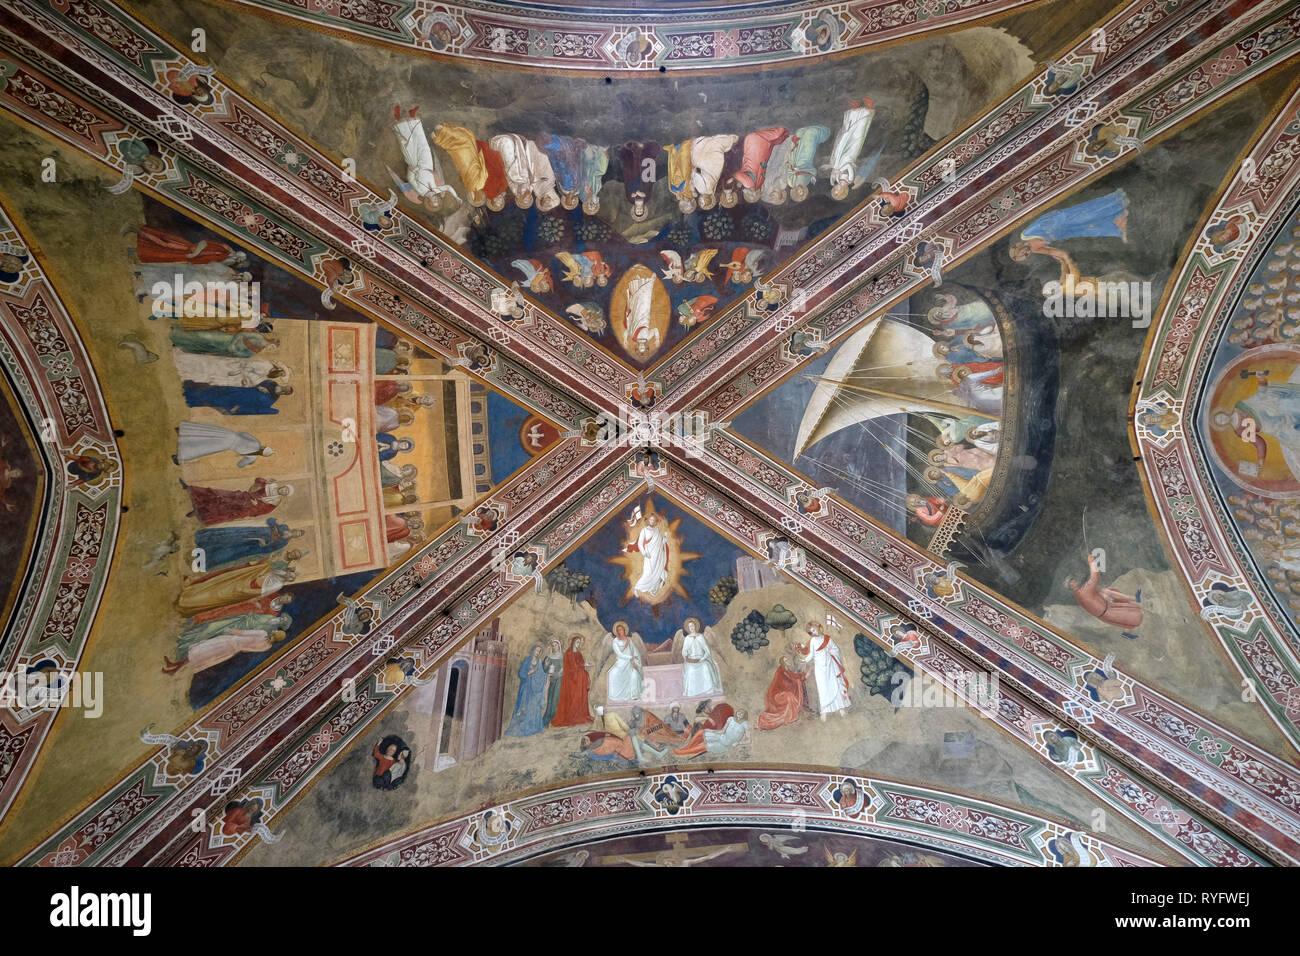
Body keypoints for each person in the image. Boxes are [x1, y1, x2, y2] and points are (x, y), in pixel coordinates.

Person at [1068, 551, 1143, 638]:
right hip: (1108, 611)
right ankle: (1127, 629)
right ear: (1072, 587)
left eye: (1073, 580)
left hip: (1104, 613)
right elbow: (1095, 578)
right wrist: (1092, 563)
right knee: (1136, 615)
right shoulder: (1084, 591)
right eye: (1072, 583)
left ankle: (1134, 599)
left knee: (1106, 591)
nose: (1075, 582)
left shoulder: (1078, 595)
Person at [182, 477, 291, 525]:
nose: (284, 490)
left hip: (246, 508)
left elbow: (262, 512)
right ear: (284, 486)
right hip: (243, 497)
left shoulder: (275, 501)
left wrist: (255, 505)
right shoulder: (272, 484)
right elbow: (257, 480)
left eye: (286, 492)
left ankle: (198, 512)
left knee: (221, 511)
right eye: (285, 488)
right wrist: (265, 481)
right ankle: (191, 490)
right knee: (219, 495)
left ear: (285, 495)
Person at [799, 621, 852, 719]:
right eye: (811, 632)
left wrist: (830, 651)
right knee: (823, 689)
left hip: (831, 665)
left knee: (836, 685)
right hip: (820, 668)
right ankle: (825, 712)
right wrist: (804, 660)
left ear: (818, 627)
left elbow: (836, 649)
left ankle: (841, 709)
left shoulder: (828, 639)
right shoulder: (813, 641)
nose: (814, 632)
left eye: (814, 630)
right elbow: (811, 654)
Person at [175, 421, 273, 467]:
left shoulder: (256, 442)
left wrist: (237, 437)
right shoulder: (253, 457)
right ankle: (179, 456)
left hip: (230, 434)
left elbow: (244, 433)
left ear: (263, 447)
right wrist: (250, 462)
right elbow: (239, 464)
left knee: (207, 433)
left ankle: (183, 431)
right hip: (227, 444)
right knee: (204, 447)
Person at [505, 644, 549, 737]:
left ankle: (533, 727)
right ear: (533, 650)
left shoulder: (539, 662)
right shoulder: (527, 661)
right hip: (525, 688)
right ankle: (521, 727)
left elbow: (541, 675)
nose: (537, 653)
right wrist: (529, 673)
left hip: (534, 690)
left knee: (533, 707)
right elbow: (521, 674)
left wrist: (547, 674)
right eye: (536, 650)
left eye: (539, 651)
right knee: (523, 707)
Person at [757, 655, 810, 729]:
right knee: (789, 696)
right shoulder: (782, 670)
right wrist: (804, 676)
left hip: (781, 693)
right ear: (783, 663)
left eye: (788, 659)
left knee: (789, 695)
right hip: (775, 695)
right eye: (785, 661)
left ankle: (790, 715)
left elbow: (793, 677)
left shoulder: (787, 669)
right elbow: (793, 679)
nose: (788, 661)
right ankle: (788, 717)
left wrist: (803, 676)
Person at [624, 512, 669, 599]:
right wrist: (644, 552)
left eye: (654, 520)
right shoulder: (644, 530)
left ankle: (653, 590)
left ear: (656, 521)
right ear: (648, 520)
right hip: (649, 555)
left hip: (658, 555)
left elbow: (661, 542)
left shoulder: (657, 530)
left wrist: (665, 537)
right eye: (651, 520)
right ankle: (637, 588)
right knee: (648, 573)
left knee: (658, 572)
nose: (652, 521)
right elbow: (640, 544)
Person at [551, 636, 593, 726]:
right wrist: (582, 665)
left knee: (581, 697)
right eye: (577, 642)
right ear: (573, 642)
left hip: (580, 679)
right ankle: (572, 716)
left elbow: (581, 665)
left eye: (580, 642)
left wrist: (586, 667)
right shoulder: (568, 653)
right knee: (573, 698)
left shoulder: (579, 653)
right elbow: (569, 668)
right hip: (571, 681)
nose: (579, 644)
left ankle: (580, 714)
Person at [673, 708, 749, 758]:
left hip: (725, 744)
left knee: (703, 745)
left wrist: (738, 743)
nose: (739, 714)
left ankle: (682, 752)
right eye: (739, 712)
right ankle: (686, 748)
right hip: (721, 736)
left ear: (744, 715)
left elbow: (749, 740)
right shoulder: (731, 719)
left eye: (741, 713)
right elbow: (722, 731)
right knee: (701, 732)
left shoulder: (745, 724)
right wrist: (710, 731)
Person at [677, 618, 721, 697]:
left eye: (693, 626)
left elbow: (707, 651)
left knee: (705, 667)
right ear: (688, 628)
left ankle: (708, 690)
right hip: (691, 661)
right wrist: (687, 658)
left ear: (695, 626)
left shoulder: (701, 637)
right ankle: (693, 692)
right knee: (690, 670)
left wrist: (702, 659)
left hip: (701, 659)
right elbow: (684, 651)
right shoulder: (687, 639)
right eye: (690, 627)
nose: (692, 628)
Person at [602, 622, 643, 702]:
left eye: (621, 629)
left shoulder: (629, 640)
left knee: (634, 674)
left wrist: (635, 659)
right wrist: (630, 657)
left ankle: (633, 694)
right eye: (618, 630)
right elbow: (619, 654)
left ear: (624, 630)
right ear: (616, 632)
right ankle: (616, 695)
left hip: (630, 662)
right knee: (612, 674)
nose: (620, 631)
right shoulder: (615, 641)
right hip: (621, 662)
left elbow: (635, 651)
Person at [541, 638, 565, 726]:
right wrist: (546, 665)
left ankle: (554, 718)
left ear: (559, 646)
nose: (555, 647)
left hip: (559, 680)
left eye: (556, 645)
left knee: (556, 699)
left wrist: (560, 673)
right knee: (549, 699)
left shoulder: (562, 656)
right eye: (553, 645)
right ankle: (547, 719)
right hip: (550, 680)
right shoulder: (548, 657)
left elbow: (565, 669)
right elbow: (544, 669)